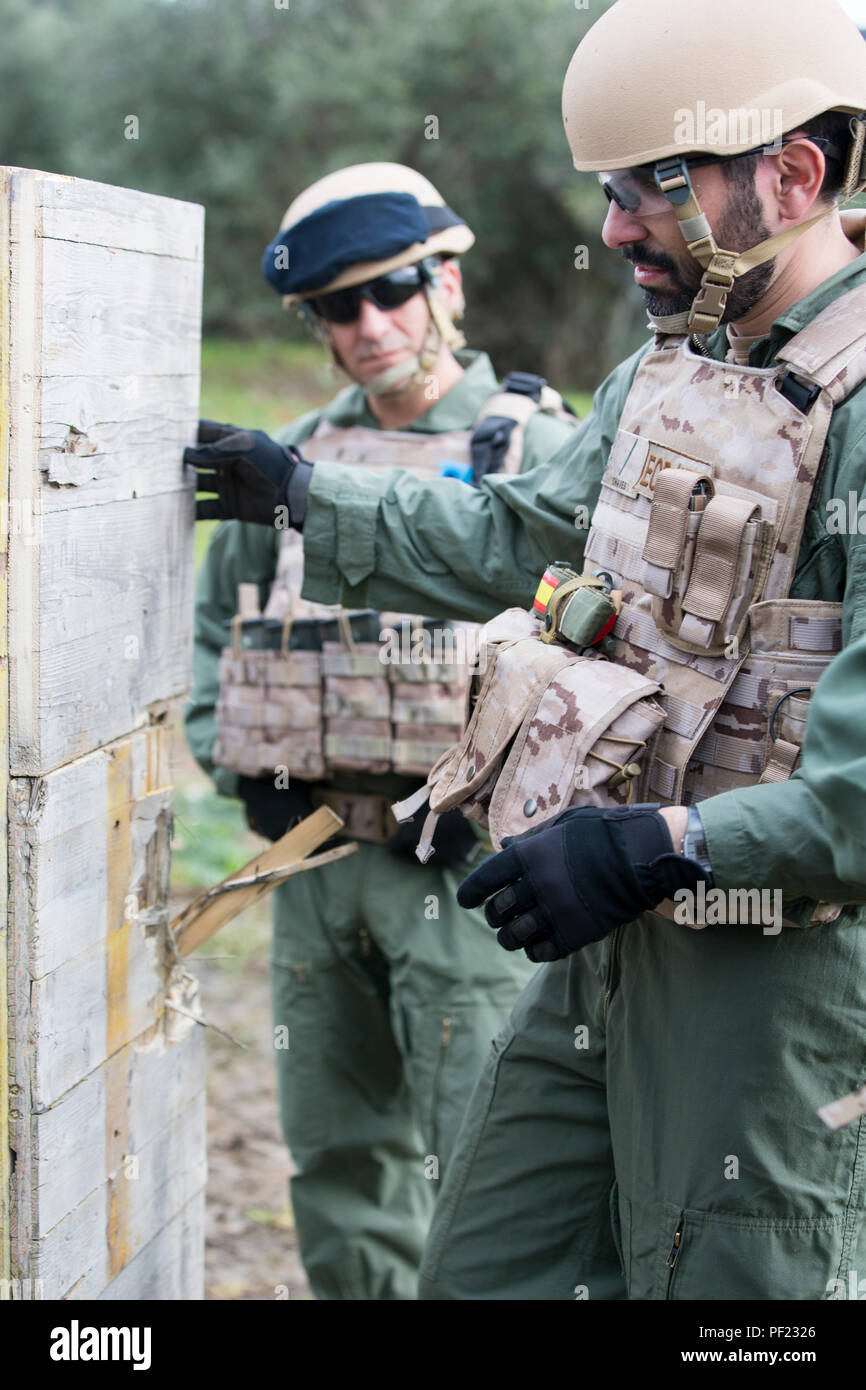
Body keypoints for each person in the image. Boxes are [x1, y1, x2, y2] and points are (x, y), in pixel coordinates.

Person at [187, 0, 866, 1299]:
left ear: (791, 174)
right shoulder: (665, 368)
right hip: (607, 939)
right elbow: (525, 526)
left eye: (649, 190)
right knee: (490, 1267)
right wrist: (305, 496)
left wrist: (658, 847)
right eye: (608, 193)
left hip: (769, 979)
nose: (612, 229)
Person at [183, 162, 578, 1301]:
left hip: (467, 878)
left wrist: (510, 809)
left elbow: (614, 667)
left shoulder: (539, 454)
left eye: (390, 290)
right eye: (334, 308)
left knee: (485, 1158)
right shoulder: (286, 462)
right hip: (317, 861)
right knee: (338, 1152)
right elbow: (221, 622)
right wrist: (238, 761)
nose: (367, 326)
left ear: (445, 281)